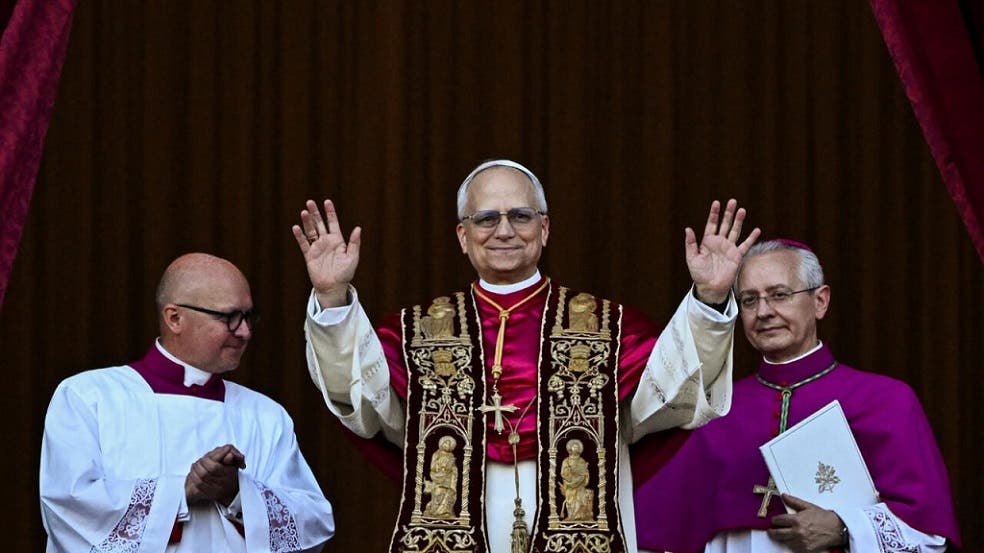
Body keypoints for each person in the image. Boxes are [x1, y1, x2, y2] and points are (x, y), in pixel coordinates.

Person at [293, 159, 760, 553]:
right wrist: (332, 299)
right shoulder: (416, 333)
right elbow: (362, 400)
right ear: (462, 235)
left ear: (545, 228)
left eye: (520, 215)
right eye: (486, 218)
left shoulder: (608, 328)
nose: (504, 230)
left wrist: (708, 299)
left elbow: (674, 392)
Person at [633, 239, 962, 553]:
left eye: (779, 295)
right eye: (749, 300)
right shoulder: (715, 410)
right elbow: (658, 527)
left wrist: (843, 528)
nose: (764, 311)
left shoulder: (886, 401)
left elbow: (928, 536)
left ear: (820, 301)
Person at [40, 253, 335, 552]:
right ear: (175, 318)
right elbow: (68, 507)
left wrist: (237, 494)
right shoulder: (88, 397)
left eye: (248, 317)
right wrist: (180, 491)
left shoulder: (266, 416)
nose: (245, 332)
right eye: (229, 317)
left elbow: (314, 524)